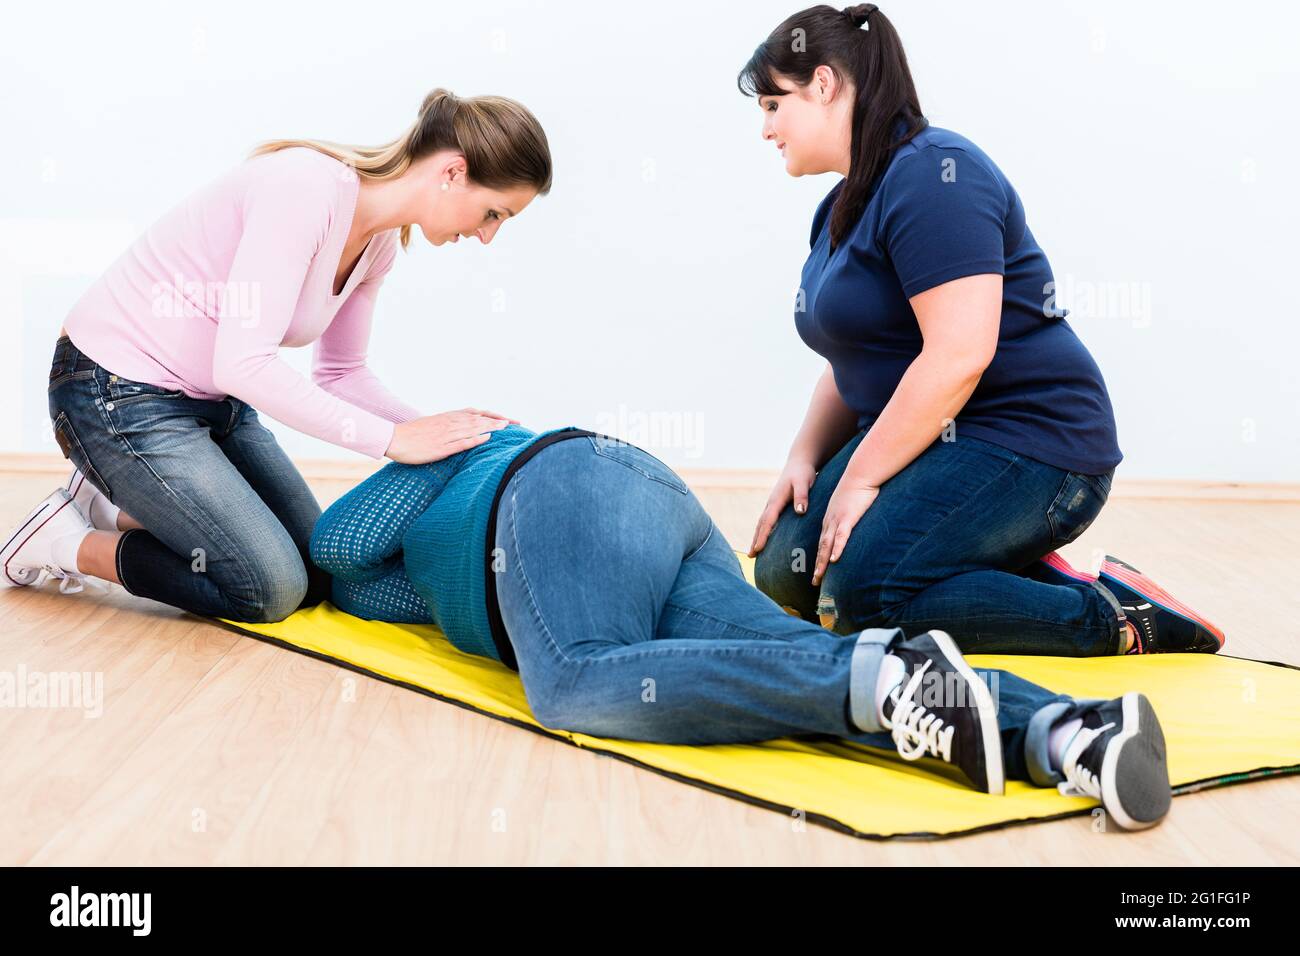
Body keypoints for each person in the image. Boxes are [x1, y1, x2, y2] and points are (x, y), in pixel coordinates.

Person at [309, 423, 1173, 831]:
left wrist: (402, 447)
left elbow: (334, 544)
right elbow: (368, 583)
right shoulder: (437, 564)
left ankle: (875, 686)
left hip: (557, 489)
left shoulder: (442, 454)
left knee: (573, 678)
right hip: (648, 507)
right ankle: (1070, 733)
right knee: (792, 649)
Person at [740, 5, 1224, 656]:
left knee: (854, 597)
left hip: (1030, 442)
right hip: (930, 437)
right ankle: (1005, 568)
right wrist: (803, 458)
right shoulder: (838, 206)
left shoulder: (937, 174)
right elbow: (848, 357)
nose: (766, 129)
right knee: (785, 573)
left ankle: (1114, 613)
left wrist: (857, 481)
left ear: (824, 84)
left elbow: (960, 354)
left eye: (773, 104)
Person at [4, 89, 549, 624]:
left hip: (214, 407)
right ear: (454, 172)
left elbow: (341, 374)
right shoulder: (306, 187)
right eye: (493, 213)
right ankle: (63, 541)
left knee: (317, 575)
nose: (486, 237)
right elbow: (242, 364)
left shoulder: (379, 244)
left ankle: (115, 505)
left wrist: (434, 429)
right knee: (270, 587)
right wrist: (392, 441)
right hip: (113, 394)